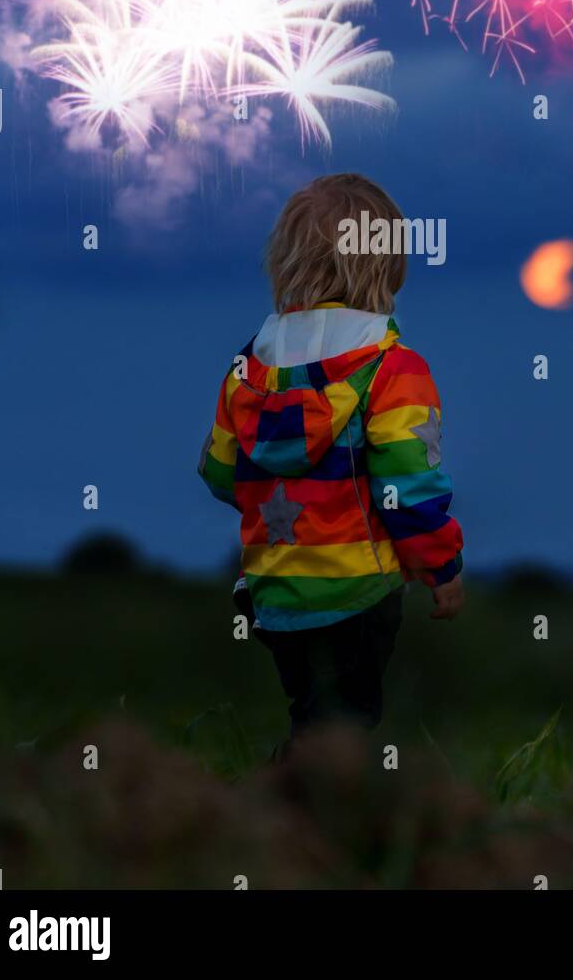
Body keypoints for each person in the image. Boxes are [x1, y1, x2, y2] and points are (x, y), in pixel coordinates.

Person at [199, 172, 464, 745]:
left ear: (286, 262)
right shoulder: (392, 368)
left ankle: (280, 796)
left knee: (314, 715)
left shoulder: (248, 370)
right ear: (384, 266)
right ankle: (289, 798)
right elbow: (407, 487)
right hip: (357, 590)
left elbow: (220, 474)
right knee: (341, 733)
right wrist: (441, 566)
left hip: (273, 590)